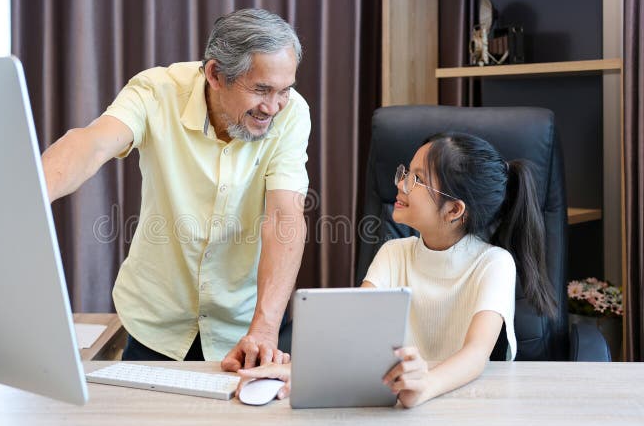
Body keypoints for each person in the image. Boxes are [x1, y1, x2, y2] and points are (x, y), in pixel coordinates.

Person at [42, 8, 309, 370]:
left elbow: (283, 217)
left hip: (243, 328)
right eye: (261, 89)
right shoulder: (157, 90)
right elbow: (93, 144)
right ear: (216, 74)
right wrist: (28, 196)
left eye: (284, 91)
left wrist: (264, 328)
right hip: (156, 326)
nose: (273, 106)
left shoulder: (292, 114)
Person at [237, 132, 557, 407]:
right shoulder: (393, 253)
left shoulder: (494, 263)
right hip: (396, 403)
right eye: (407, 173)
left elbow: (476, 354)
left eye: (417, 179)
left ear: (454, 210)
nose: (401, 184)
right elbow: (352, 333)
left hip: (469, 407)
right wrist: (302, 370)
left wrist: (424, 386)